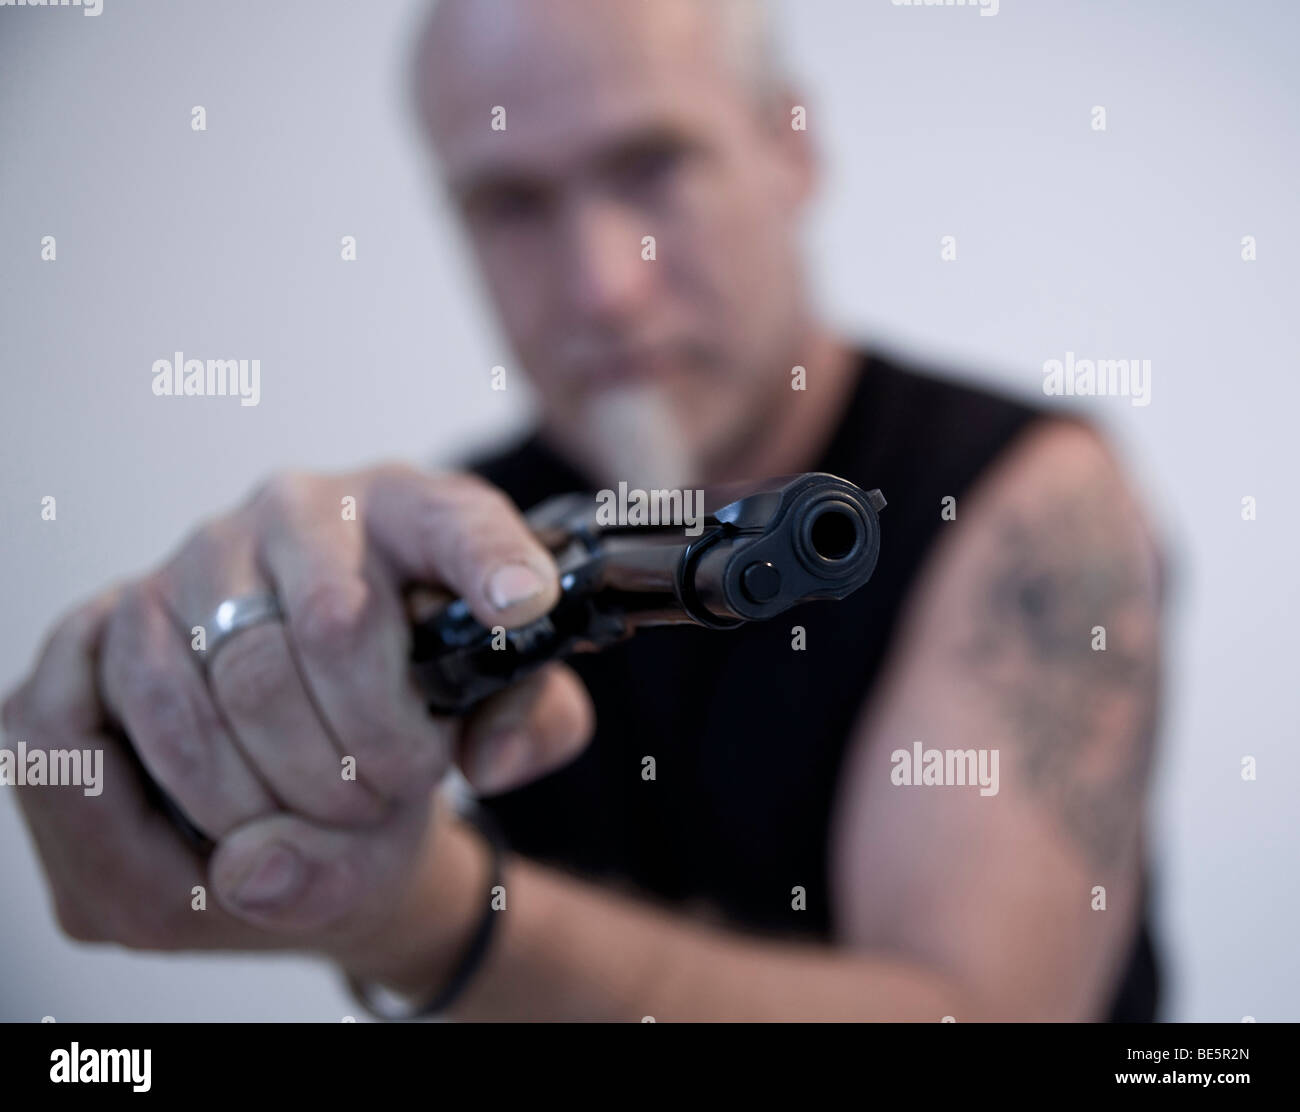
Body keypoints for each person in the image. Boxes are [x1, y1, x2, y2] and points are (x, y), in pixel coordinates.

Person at [1, 0, 1163, 1021]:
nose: (602, 285)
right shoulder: (462, 526)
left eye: (652, 165)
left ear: (789, 149)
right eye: (510, 203)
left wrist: (430, 918)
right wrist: (179, 727)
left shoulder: (1029, 493)